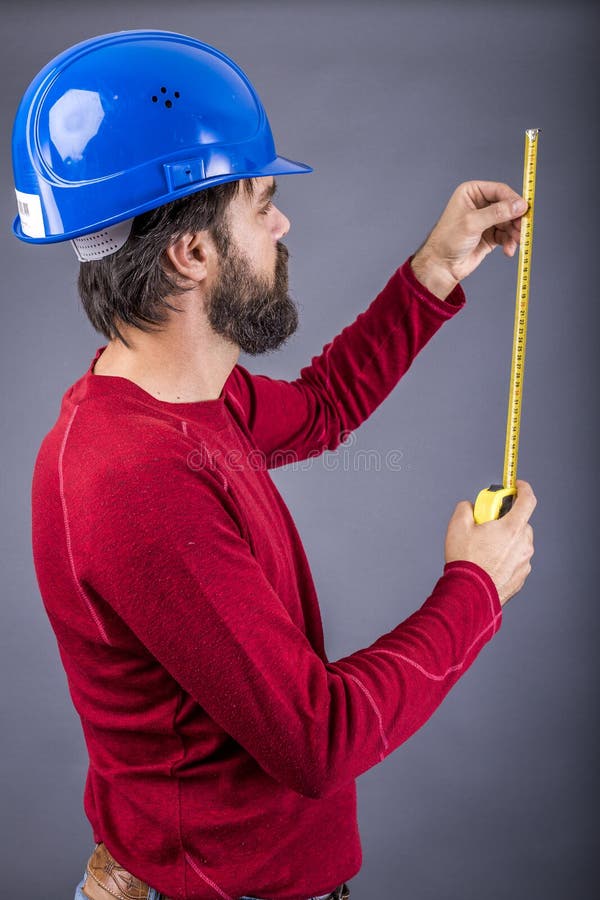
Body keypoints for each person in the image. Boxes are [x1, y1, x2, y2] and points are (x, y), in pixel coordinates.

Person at [13, 29, 536, 900]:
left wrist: (437, 268)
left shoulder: (184, 400)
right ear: (192, 252)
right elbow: (315, 741)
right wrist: (473, 589)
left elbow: (324, 408)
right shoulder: (135, 479)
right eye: (260, 202)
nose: (284, 220)